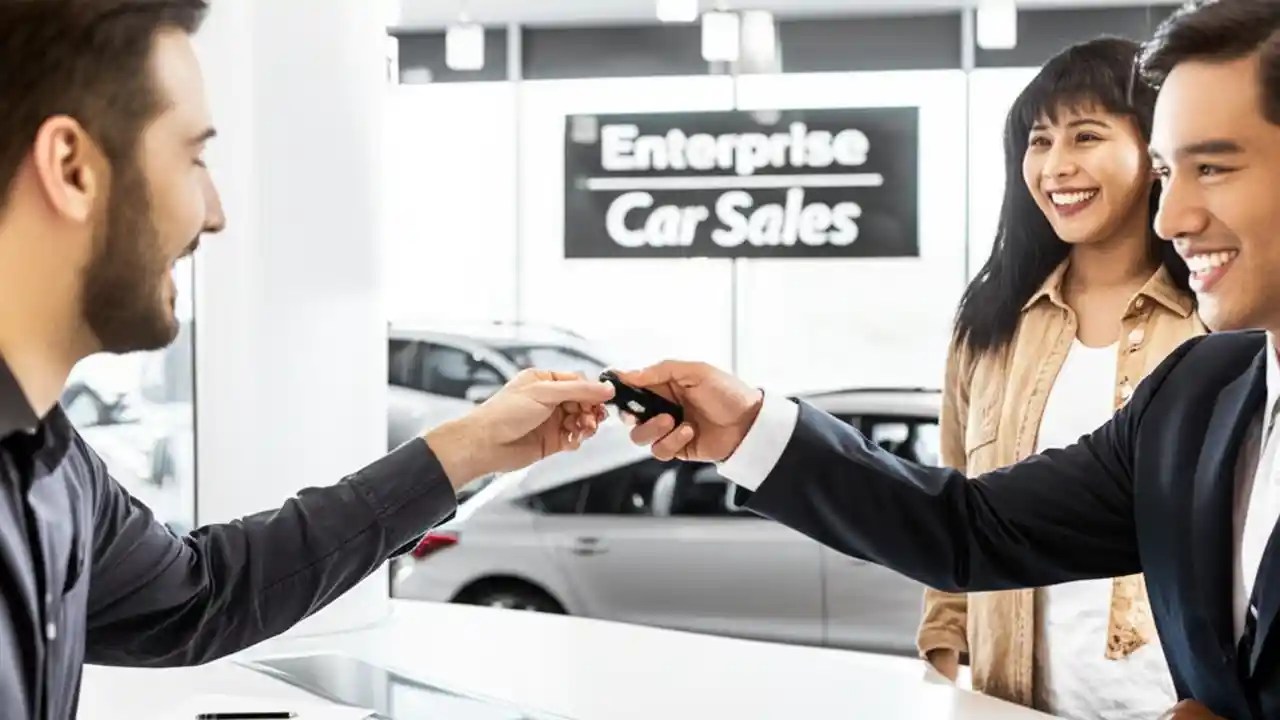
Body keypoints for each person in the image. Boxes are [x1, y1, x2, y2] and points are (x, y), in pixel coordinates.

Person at [619, 1, 1280, 717]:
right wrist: (750, 426)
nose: (1171, 216)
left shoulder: (1192, 353)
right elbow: (970, 526)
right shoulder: (1198, 396)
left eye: (1213, 167)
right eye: (1168, 170)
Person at [0, 3, 614, 719]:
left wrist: (465, 449)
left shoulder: (49, 461)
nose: (213, 213)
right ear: (72, 169)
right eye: (193, 158)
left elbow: (197, 595)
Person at [916, 38, 1204, 718]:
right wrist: (943, 648)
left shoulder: (1215, 325)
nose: (1056, 166)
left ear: (1156, 150)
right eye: (1039, 141)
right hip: (1011, 698)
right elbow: (955, 499)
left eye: (1086, 136)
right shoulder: (988, 326)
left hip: (1176, 701)